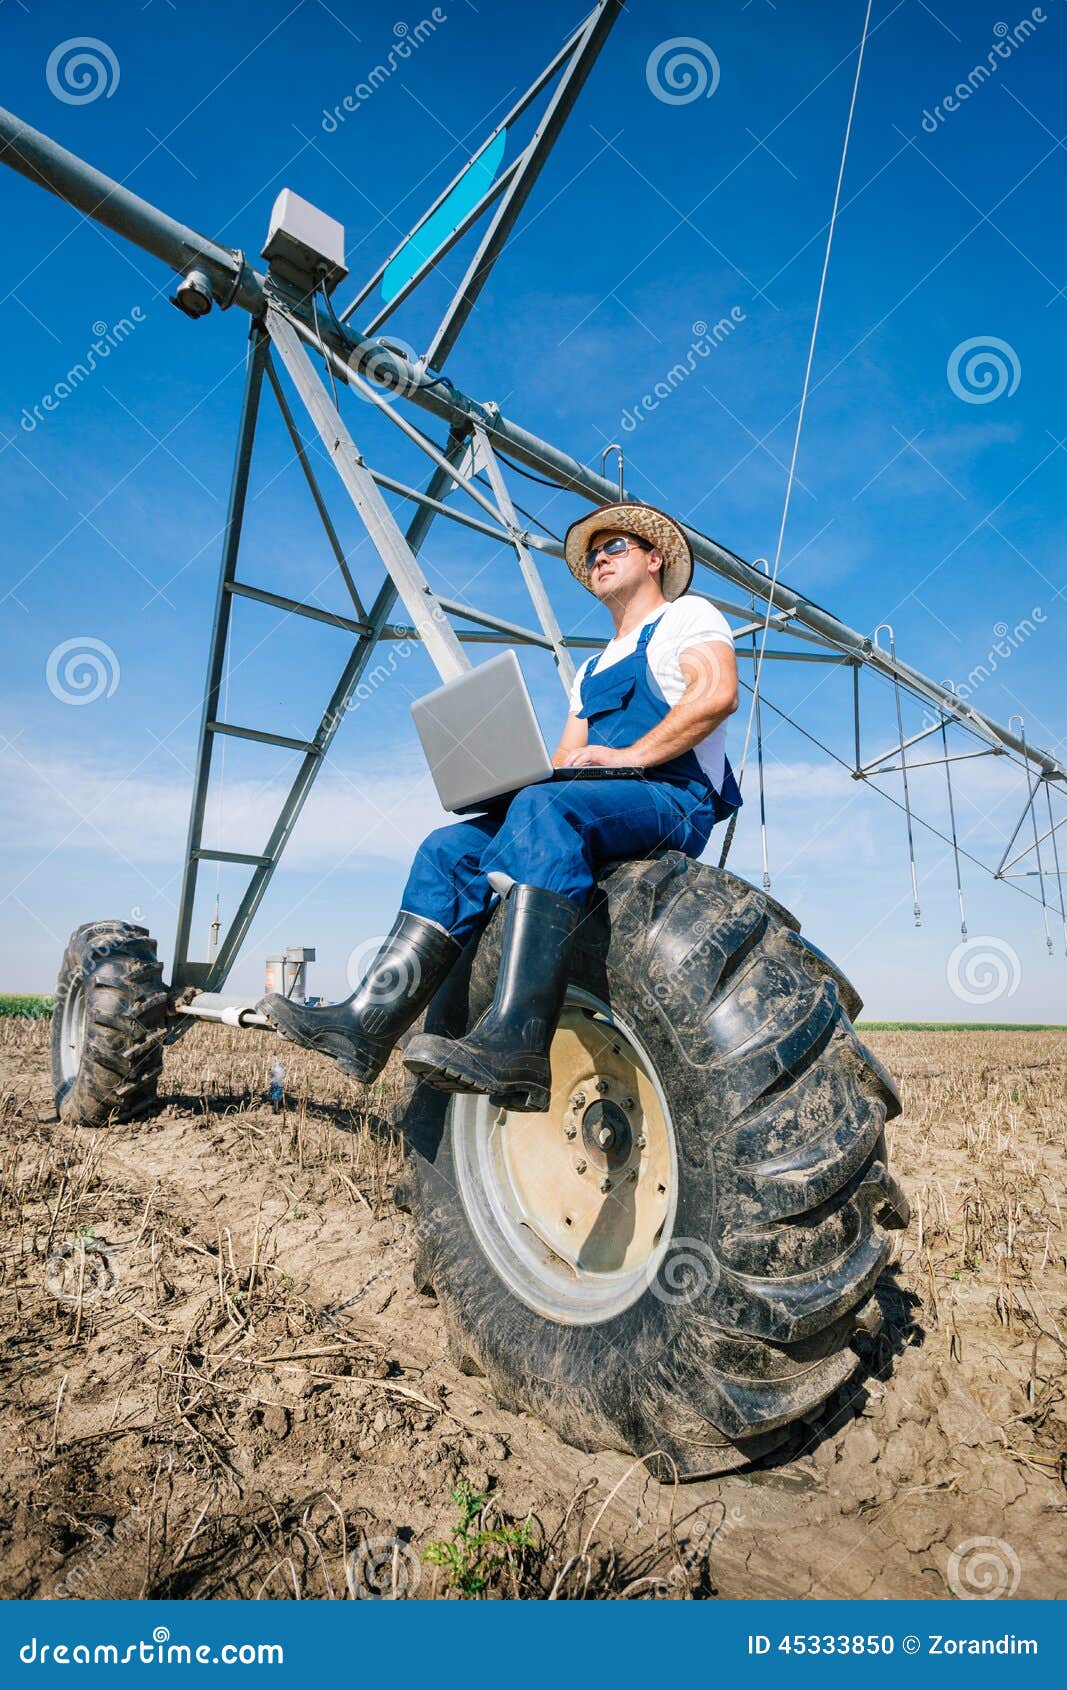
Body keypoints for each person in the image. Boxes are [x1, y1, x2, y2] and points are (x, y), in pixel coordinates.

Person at [258, 502, 741, 1112]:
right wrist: (511, 781)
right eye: (592, 555)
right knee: (449, 849)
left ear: (654, 559)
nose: (599, 558)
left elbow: (715, 695)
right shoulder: (591, 666)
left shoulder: (685, 618)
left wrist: (632, 757)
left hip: (672, 796)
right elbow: (570, 757)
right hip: (585, 800)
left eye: (614, 546)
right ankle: (366, 1024)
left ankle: (518, 1043)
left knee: (545, 810)